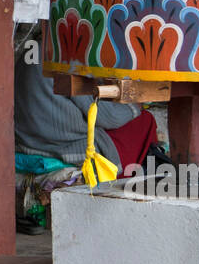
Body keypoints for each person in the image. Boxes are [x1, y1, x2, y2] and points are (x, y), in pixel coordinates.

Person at [15, 52, 158, 175]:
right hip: (62, 147)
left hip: (27, 141)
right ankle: (141, 176)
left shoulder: (29, 52)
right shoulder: (66, 58)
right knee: (144, 121)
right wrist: (136, 105)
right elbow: (109, 118)